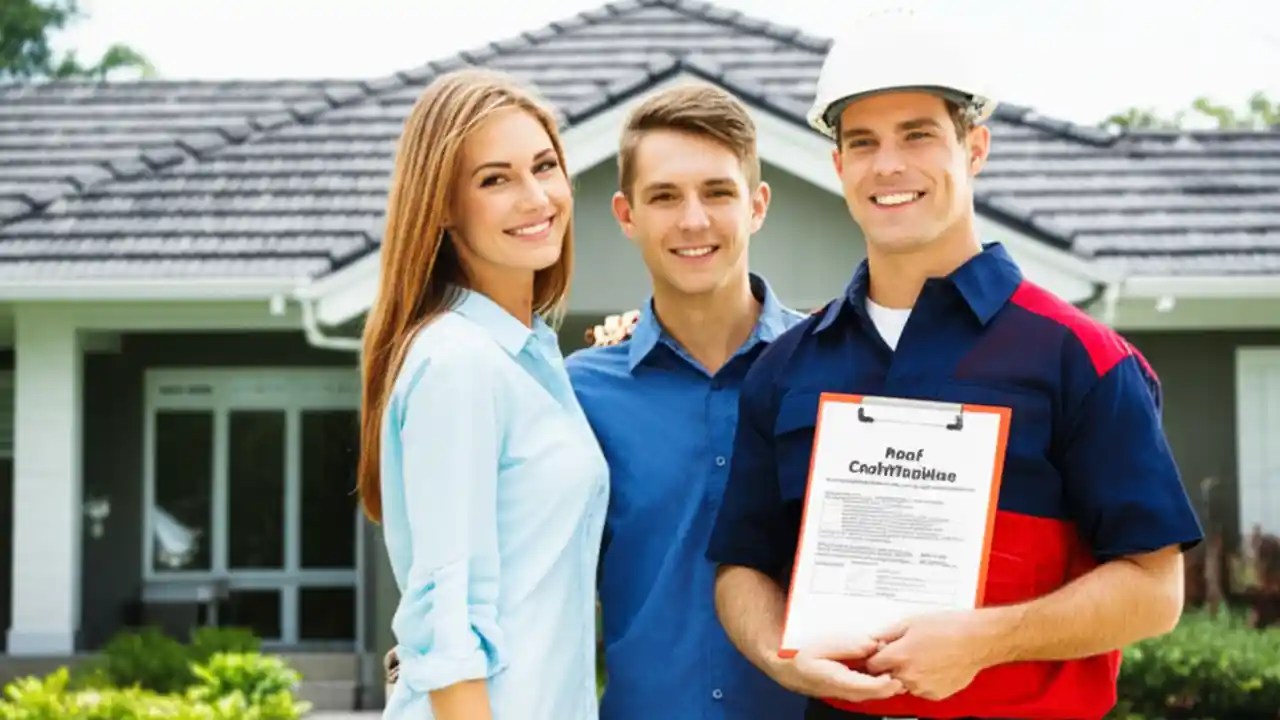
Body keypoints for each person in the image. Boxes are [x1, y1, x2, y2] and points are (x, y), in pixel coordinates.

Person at [705, 9, 1203, 720]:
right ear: (839, 164)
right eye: (864, 142)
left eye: (919, 136)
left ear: (975, 147)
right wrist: (784, 659)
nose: (889, 166)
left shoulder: (1080, 359)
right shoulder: (785, 367)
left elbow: (1156, 590)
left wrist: (985, 640)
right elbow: (742, 568)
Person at [358, 68, 609, 720]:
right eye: (495, 179)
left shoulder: (532, 359)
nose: (536, 197)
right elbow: (450, 626)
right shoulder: (457, 362)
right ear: (442, 206)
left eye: (544, 166)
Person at [565, 84, 810, 720]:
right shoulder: (578, 397)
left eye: (718, 192)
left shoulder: (834, 373)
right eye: (665, 196)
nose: (693, 220)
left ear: (757, 205)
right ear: (626, 215)